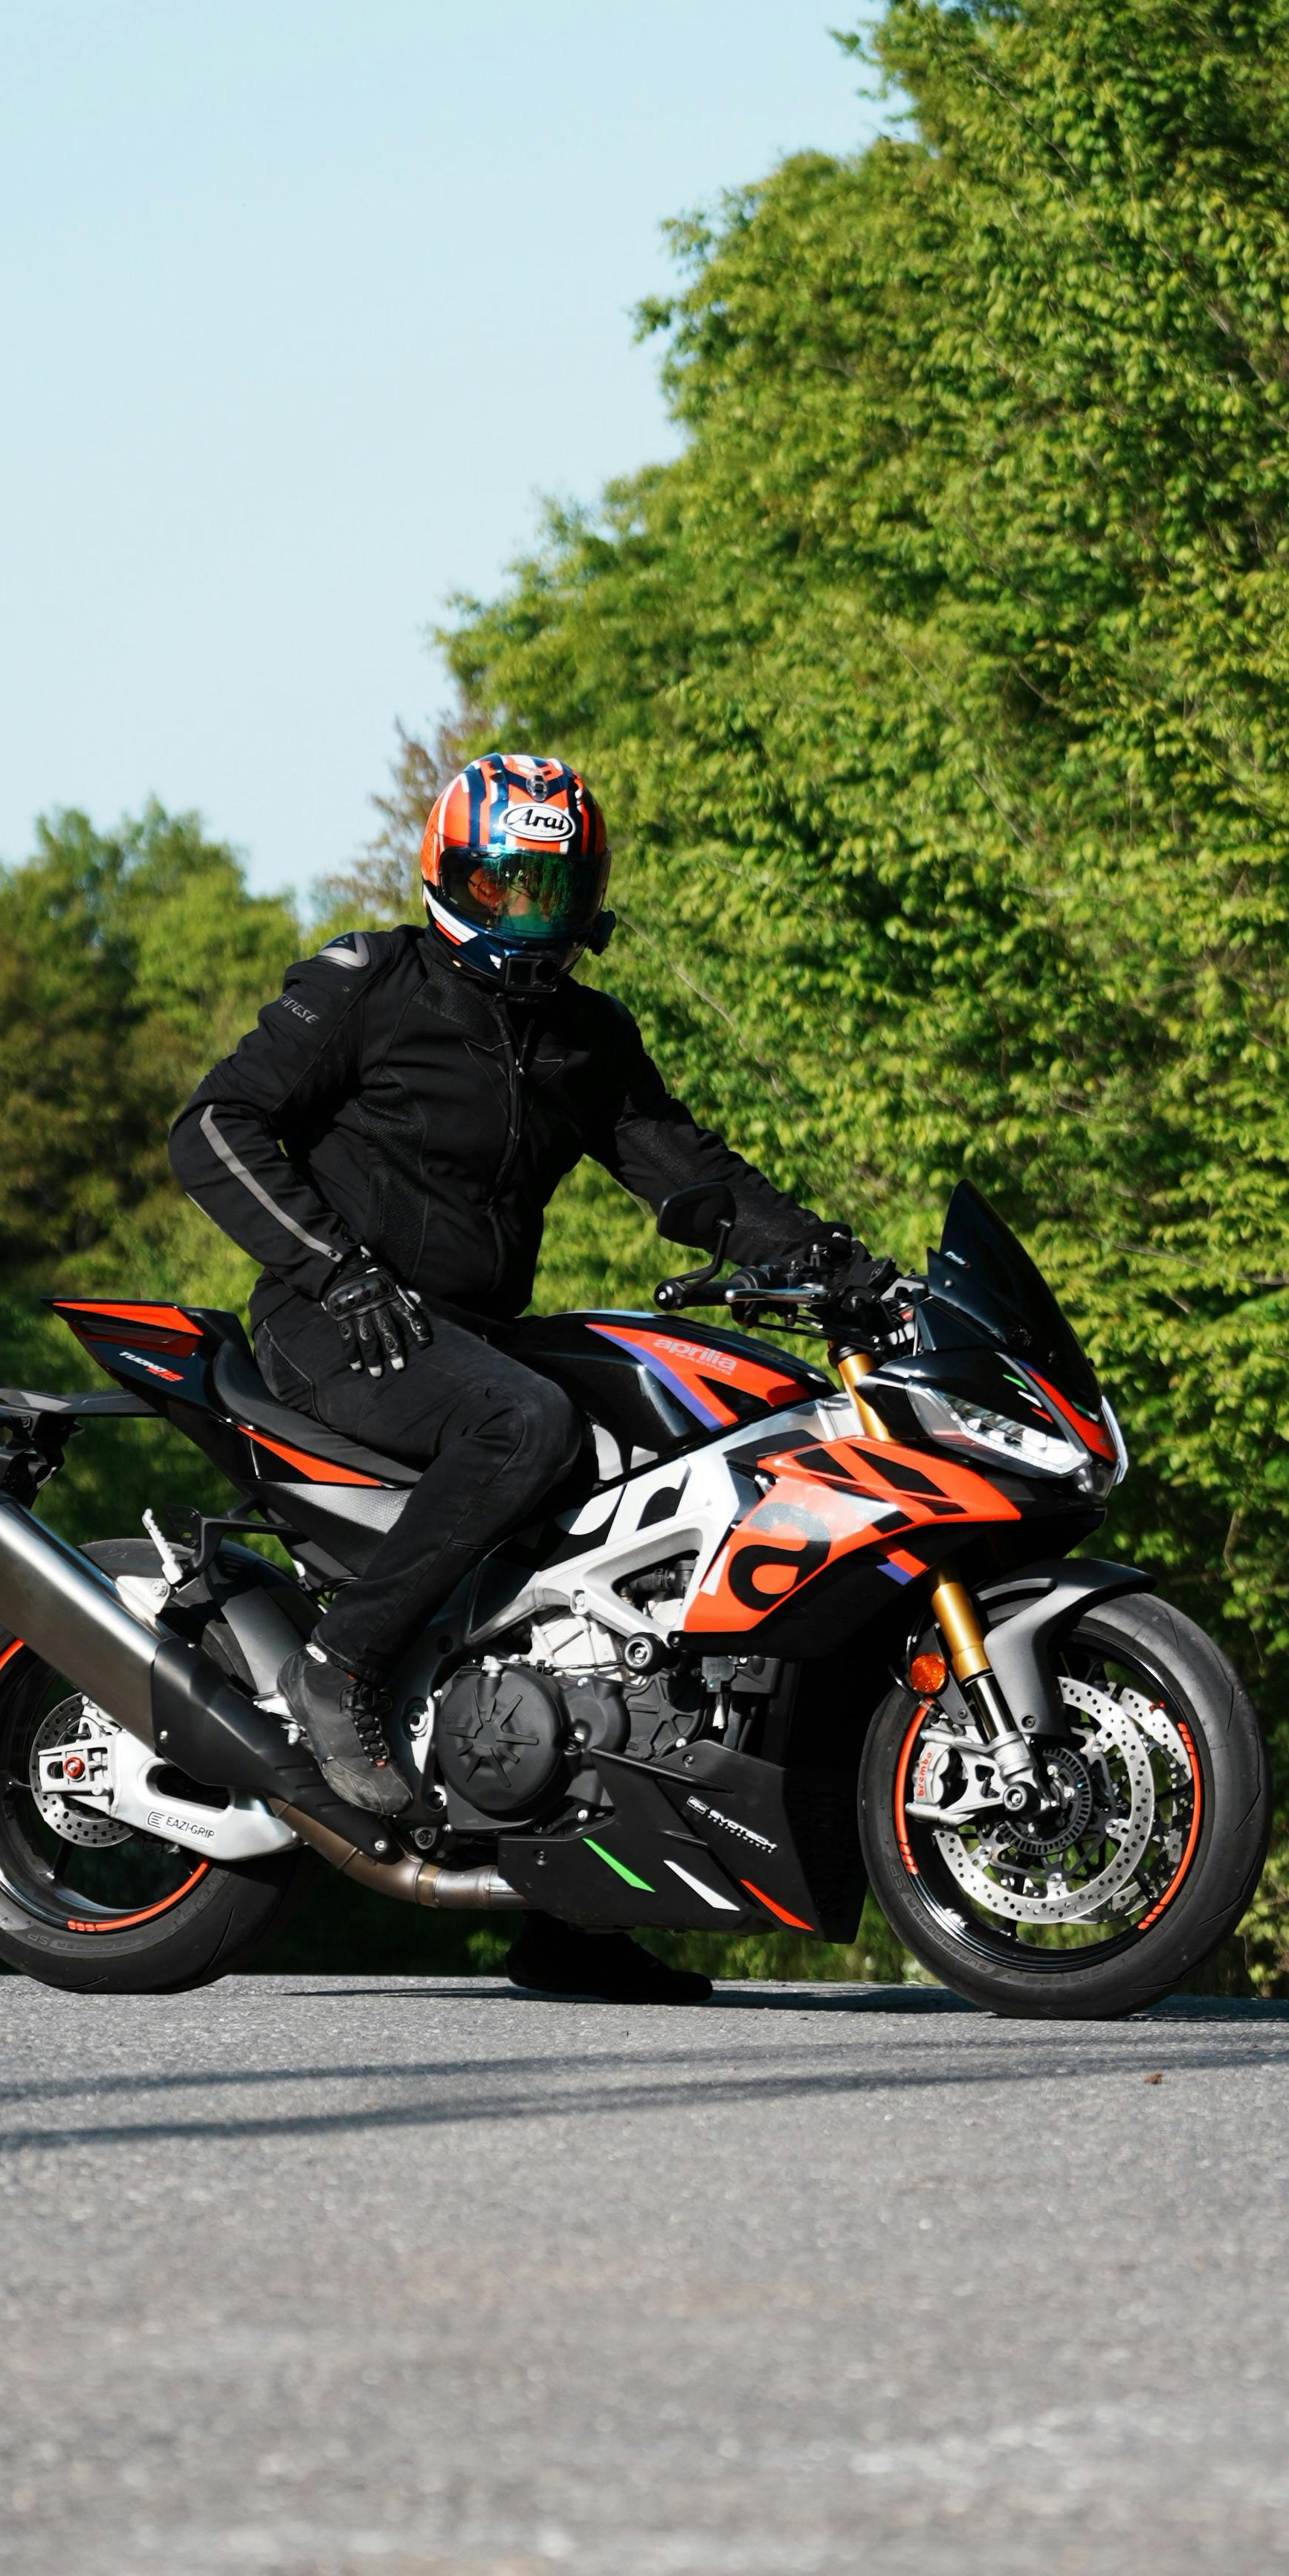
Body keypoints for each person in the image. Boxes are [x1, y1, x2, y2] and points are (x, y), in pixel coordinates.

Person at [169, 751, 894, 2002]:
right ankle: (340, 1668)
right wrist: (336, 1271)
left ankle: (571, 1903)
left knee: (675, 1440)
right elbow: (215, 1128)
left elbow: (694, 1177)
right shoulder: (370, 985)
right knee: (531, 1421)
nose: (530, 916)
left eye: (554, 890)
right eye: (506, 887)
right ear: (452, 878)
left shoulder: (587, 1038)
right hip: (331, 1321)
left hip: (462, 1330)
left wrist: (837, 1264)